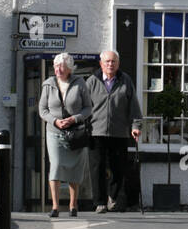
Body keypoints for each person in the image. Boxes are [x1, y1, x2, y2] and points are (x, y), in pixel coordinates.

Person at [86, 49, 142, 213]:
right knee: (97, 168)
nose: (110, 64)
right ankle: (99, 202)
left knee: (118, 168)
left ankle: (113, 197)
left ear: (118, 64)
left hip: (119, 132)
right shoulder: (92, 81)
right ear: (101, 64)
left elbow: (134, 107)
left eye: (114, 62)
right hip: (96, 132)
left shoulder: (125, 81)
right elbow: (84, 106)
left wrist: (135, 127)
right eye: (107, 61)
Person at [38, 53, 92, 218]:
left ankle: (73, 204)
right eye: (55, 66)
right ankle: (54, 206)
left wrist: (74, 118)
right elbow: (42, 110)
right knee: (55, 165)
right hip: (54, 132)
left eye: (61, 66)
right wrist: (55, 121)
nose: (58, 69)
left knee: (75, 168)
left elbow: (88, 108)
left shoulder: (79, 83)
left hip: (75, 133)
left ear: (69, 68)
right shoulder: (48, 84)